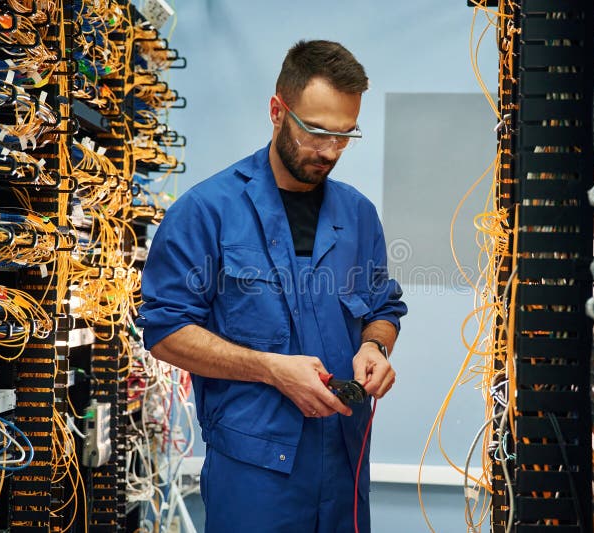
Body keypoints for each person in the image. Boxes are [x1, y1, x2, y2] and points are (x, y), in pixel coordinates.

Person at [137, 39, 407, 532]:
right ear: (277, 111)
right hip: (255, 474)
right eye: (317, 132)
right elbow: (165, 330)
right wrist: (269, 369)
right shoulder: (207, 212)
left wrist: (375, 347)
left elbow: (383, 307)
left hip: (345, 462)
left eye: (345, 136)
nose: (330, 150)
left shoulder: (359, 216)